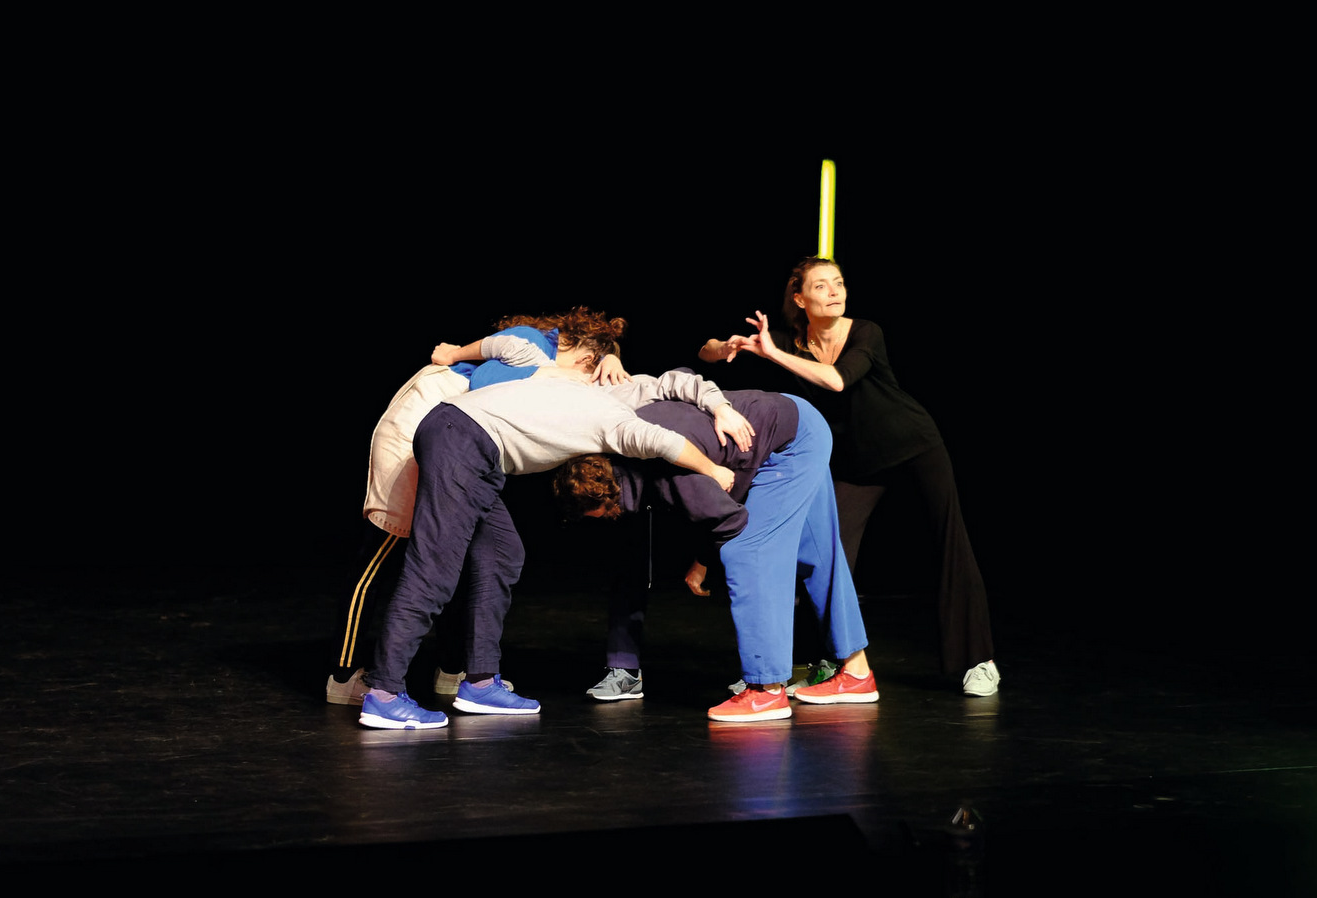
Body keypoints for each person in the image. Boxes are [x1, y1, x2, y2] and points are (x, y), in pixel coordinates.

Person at [357, 369, 752, 729]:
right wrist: (713, 469)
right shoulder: (615, 420)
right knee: (434, 569)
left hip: (470, 446)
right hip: (463, 439)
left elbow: (671, 382)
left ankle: (480, 682)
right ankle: (384, 694)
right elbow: (662, 440)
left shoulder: (581, 393)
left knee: (502, 554)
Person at [699, 257, 1000, 697]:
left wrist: (774, 354)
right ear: (800, 298)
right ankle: (825, 662)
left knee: (949, 543)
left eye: (838, 283)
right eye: (821, 286)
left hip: (912, 447)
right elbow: (705, 351)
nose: (834, 292)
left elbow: (838, 380)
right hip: (855, 463)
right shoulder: (785, 340)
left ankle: (979, 660)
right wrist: (730, 346)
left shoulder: (866, 332)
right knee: (823, 555)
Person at [327, 308, 629, 707]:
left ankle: (455, 670)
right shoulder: (534, 345)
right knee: (383, 555)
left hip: (450, 437)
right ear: (586, 355)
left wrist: (612, 359)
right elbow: (485, 383)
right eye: (590, 370)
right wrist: (556, 374)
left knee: (471, 553)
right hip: (416, 430)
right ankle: (345, 676)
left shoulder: (546, 352)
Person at [552, 388, 877, 722]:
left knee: (747, 552)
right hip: (797, 417)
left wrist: (705, 560)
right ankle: (857, 673)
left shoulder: (670, 473)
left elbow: (731, 520)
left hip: (789, 442)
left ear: (609, 498)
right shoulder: (623, 435)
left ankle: (765, 690)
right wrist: (702, 560)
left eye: (599, 515)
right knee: (819, 553)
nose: (605, 520)